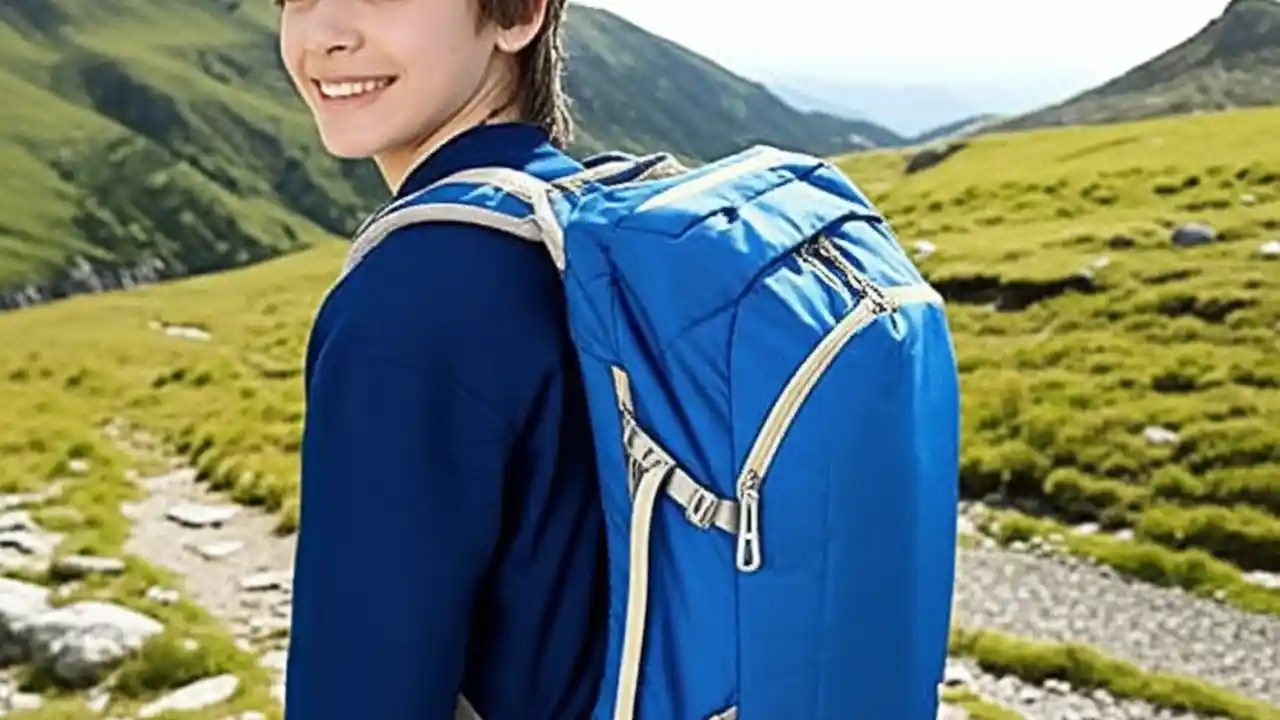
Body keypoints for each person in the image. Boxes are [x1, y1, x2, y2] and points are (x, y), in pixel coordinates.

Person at [275, 0, 607, 718]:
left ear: (519, 15)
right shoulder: (590, 226)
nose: (324, 34)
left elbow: (360, 696)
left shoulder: (410, 303)